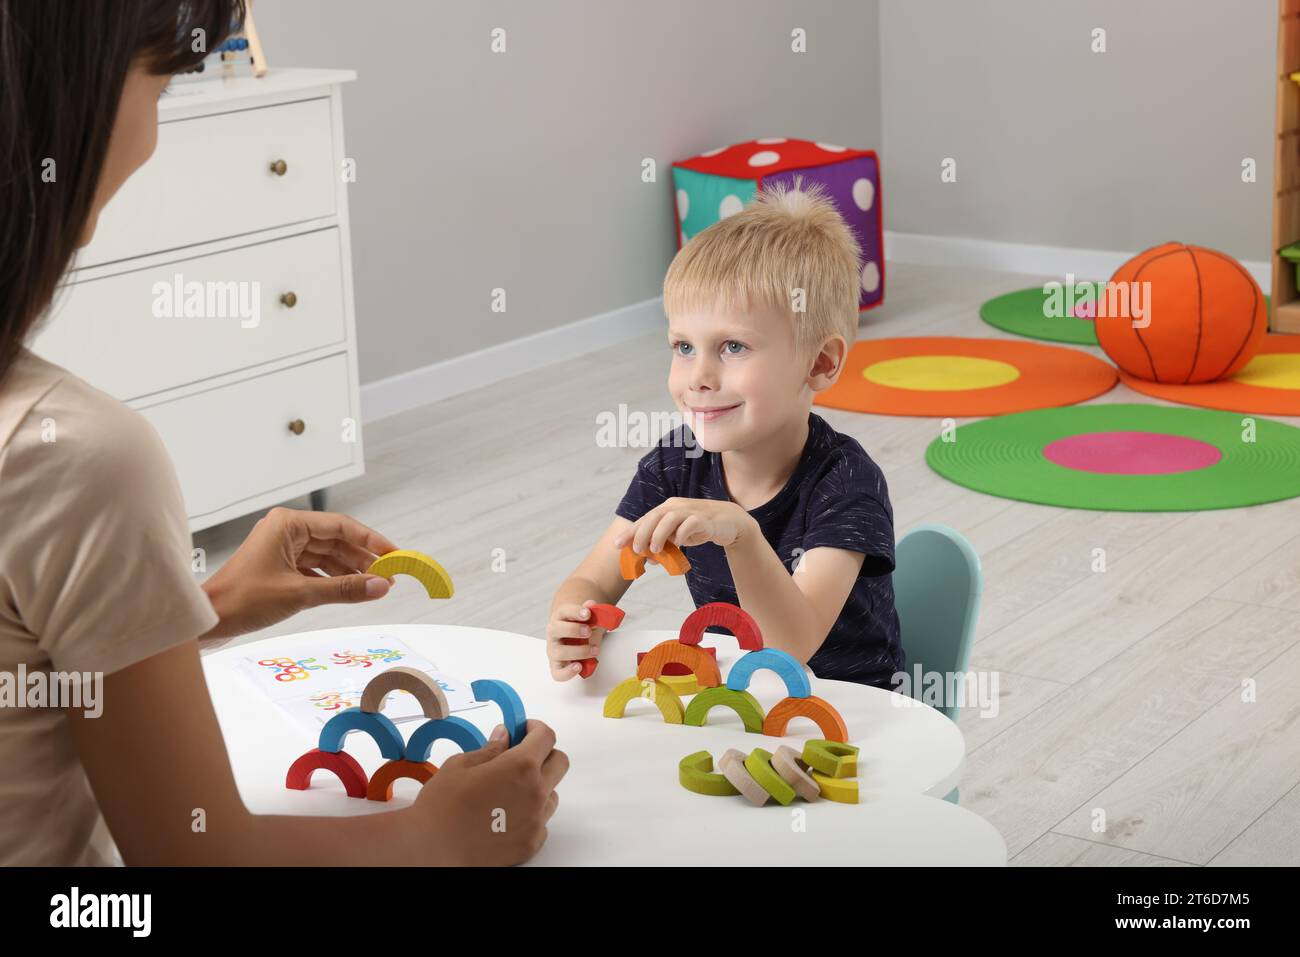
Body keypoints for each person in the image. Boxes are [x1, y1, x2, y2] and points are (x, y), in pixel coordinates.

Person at [0, 0, 565, 866]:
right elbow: (197, 857)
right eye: (160, 80)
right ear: (71, 99)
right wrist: (435, 835)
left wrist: (197, 609)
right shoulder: (78, 458)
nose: (155, 133)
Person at [547, 184, 903, 689]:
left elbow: (789, 648)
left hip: (850, 712)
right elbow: (594, 578)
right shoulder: (675, 464)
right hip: (738, 698)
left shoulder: (847, 482)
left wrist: (740, 533)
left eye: (733, 346)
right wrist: (574, 617)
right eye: (684, 346)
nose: (699, 376)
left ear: (820, 363)